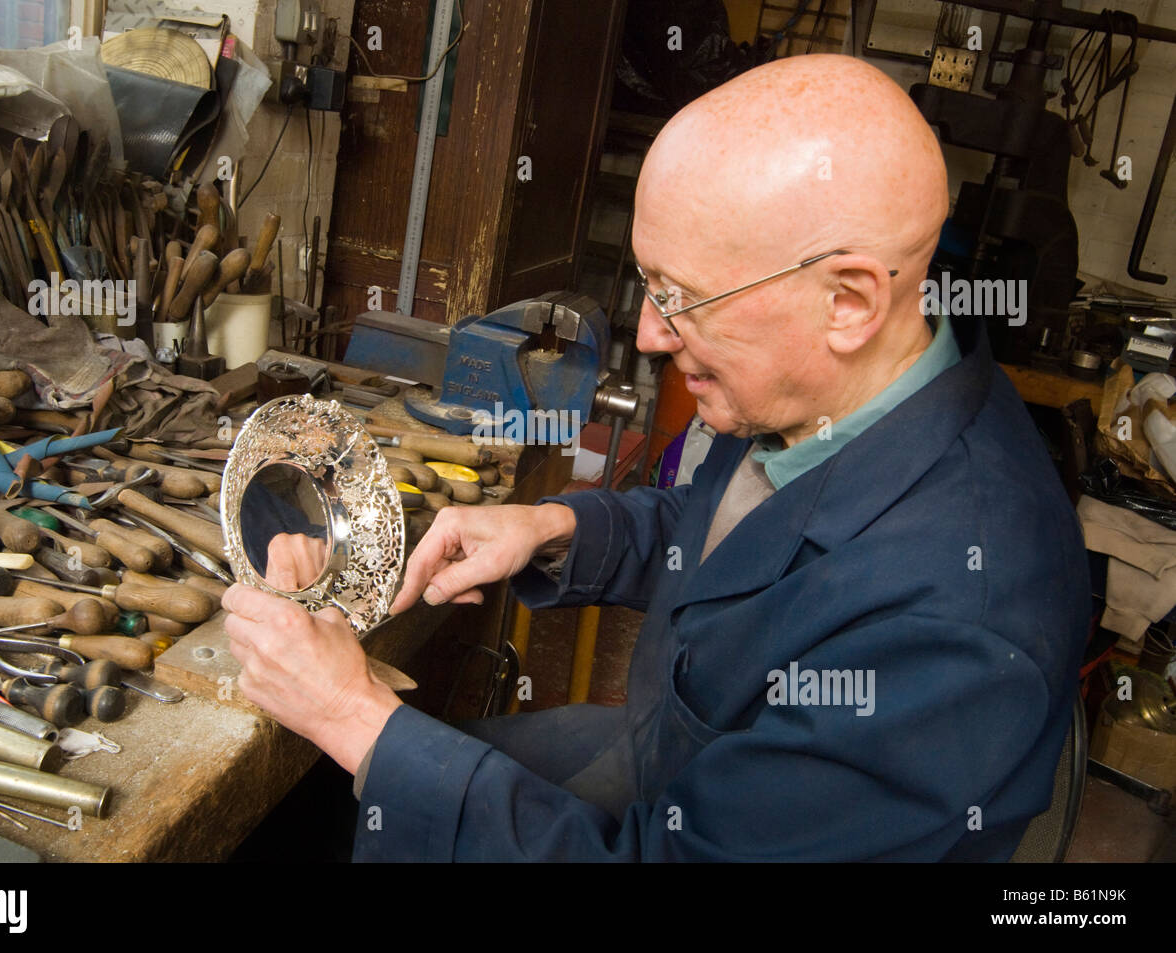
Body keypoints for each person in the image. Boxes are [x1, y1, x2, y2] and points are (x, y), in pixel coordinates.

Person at [222, 53, 1090, 861]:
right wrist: (557, 525)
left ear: (850, 300)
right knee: (326, 800)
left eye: (681, 297)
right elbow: (743, 532)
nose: (646, 332)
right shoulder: (831, 397)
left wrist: (351, 712)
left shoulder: (956, 630)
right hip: (663, 748)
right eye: (648, 285)